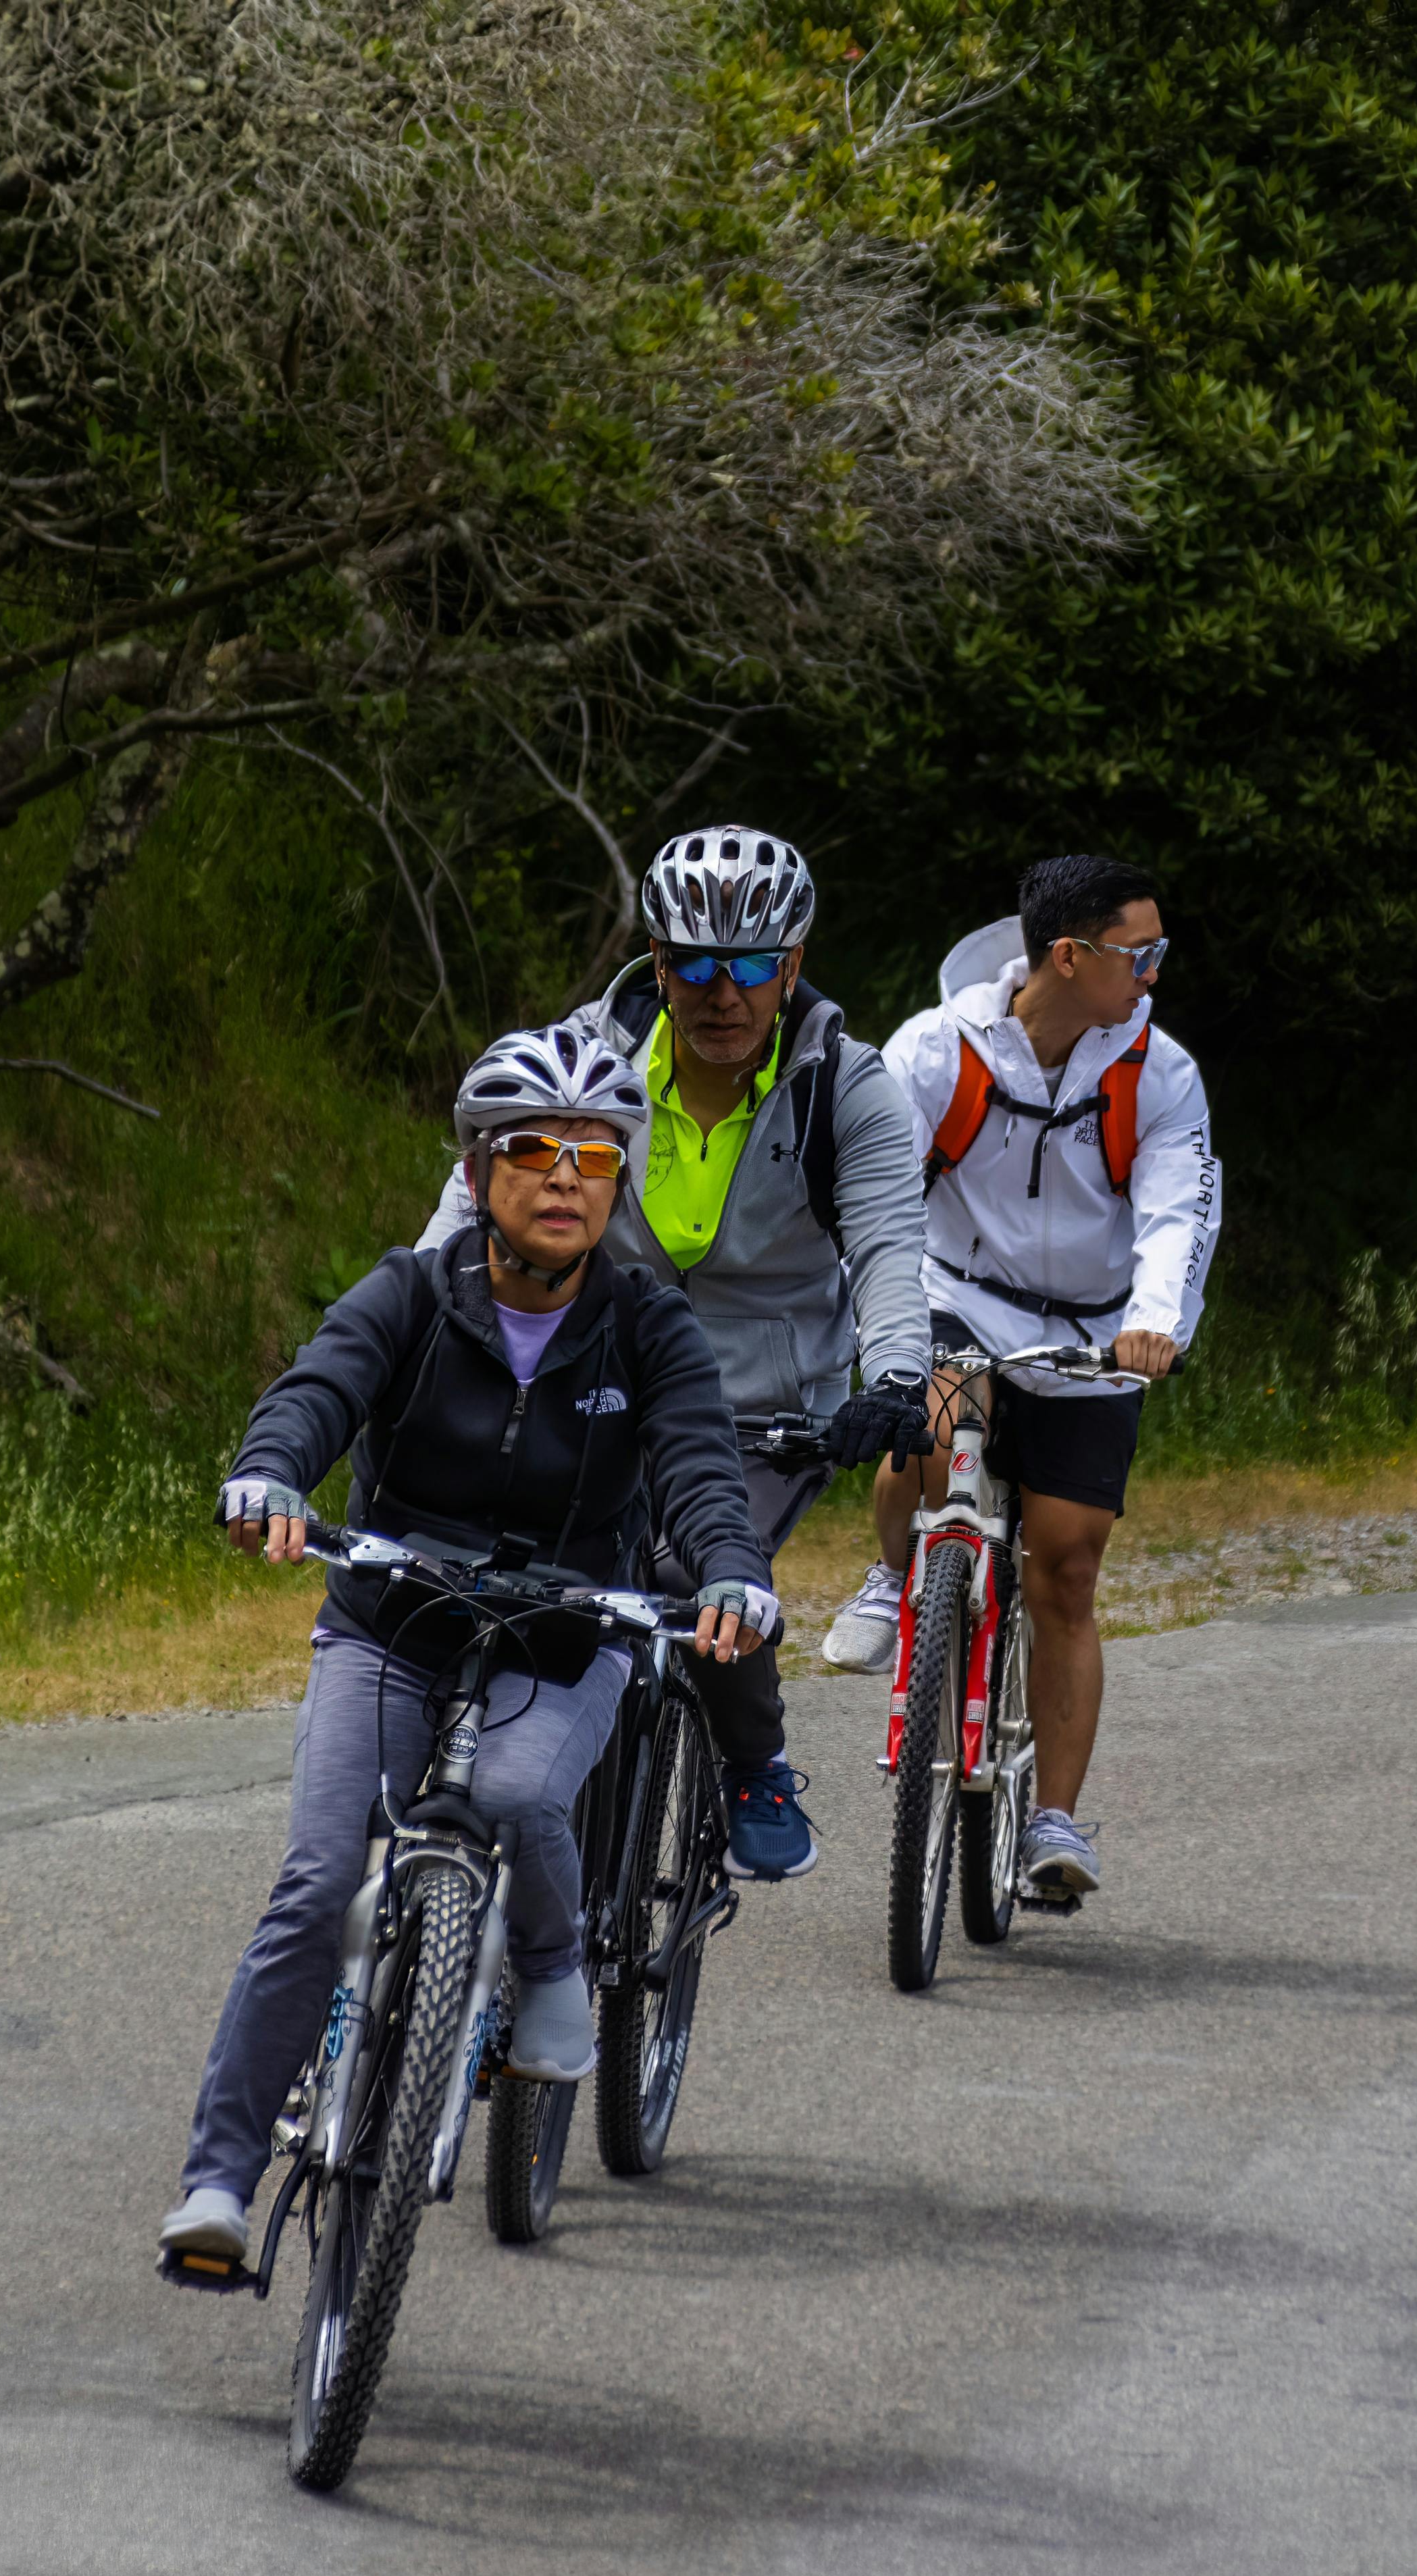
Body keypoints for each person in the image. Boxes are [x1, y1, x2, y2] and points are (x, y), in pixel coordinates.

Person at [159, 1025, 775, 2278]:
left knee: (512, 1792)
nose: (564, 1178)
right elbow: (315, 1391)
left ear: (618, 1179)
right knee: (320, 1880)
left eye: (594, 1155)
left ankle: (551, 1967)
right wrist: (271, 1474)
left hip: (567, 1632)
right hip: (392, 1619)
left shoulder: (646, 1327)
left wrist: (728, 1569)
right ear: (481, 1169)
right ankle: (218, 2183)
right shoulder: (410, 1290)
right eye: (534, 1151)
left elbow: (703, 1468)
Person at [413, 824, 935, 1884]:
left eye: (750, 967)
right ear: (658, 959)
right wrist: (416, 1315)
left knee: (689, 1565)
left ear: (791, 964)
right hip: (595, 1370)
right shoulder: (584, 1059)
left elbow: (887, 1249)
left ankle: (753, 1757)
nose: (721, 992)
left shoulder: (849, 1087)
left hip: (760, 1400)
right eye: (694, 962)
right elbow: (474, 1206)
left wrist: (891, 1377)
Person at [835, 853, 1221, 1905]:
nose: (1152, 974)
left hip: (1097, 1331)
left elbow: (1177, 1209)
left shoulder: (1161, 1072)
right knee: (930, 1419)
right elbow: (873, 1188)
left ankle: (1051, 1819)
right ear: (1067, 954)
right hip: (956, 1288)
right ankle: (892, 1570)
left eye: (1157, 953)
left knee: (1066, 1569)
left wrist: (1152, 1326)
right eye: (1138, 953)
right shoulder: (934, 1048)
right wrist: (867, 1316)